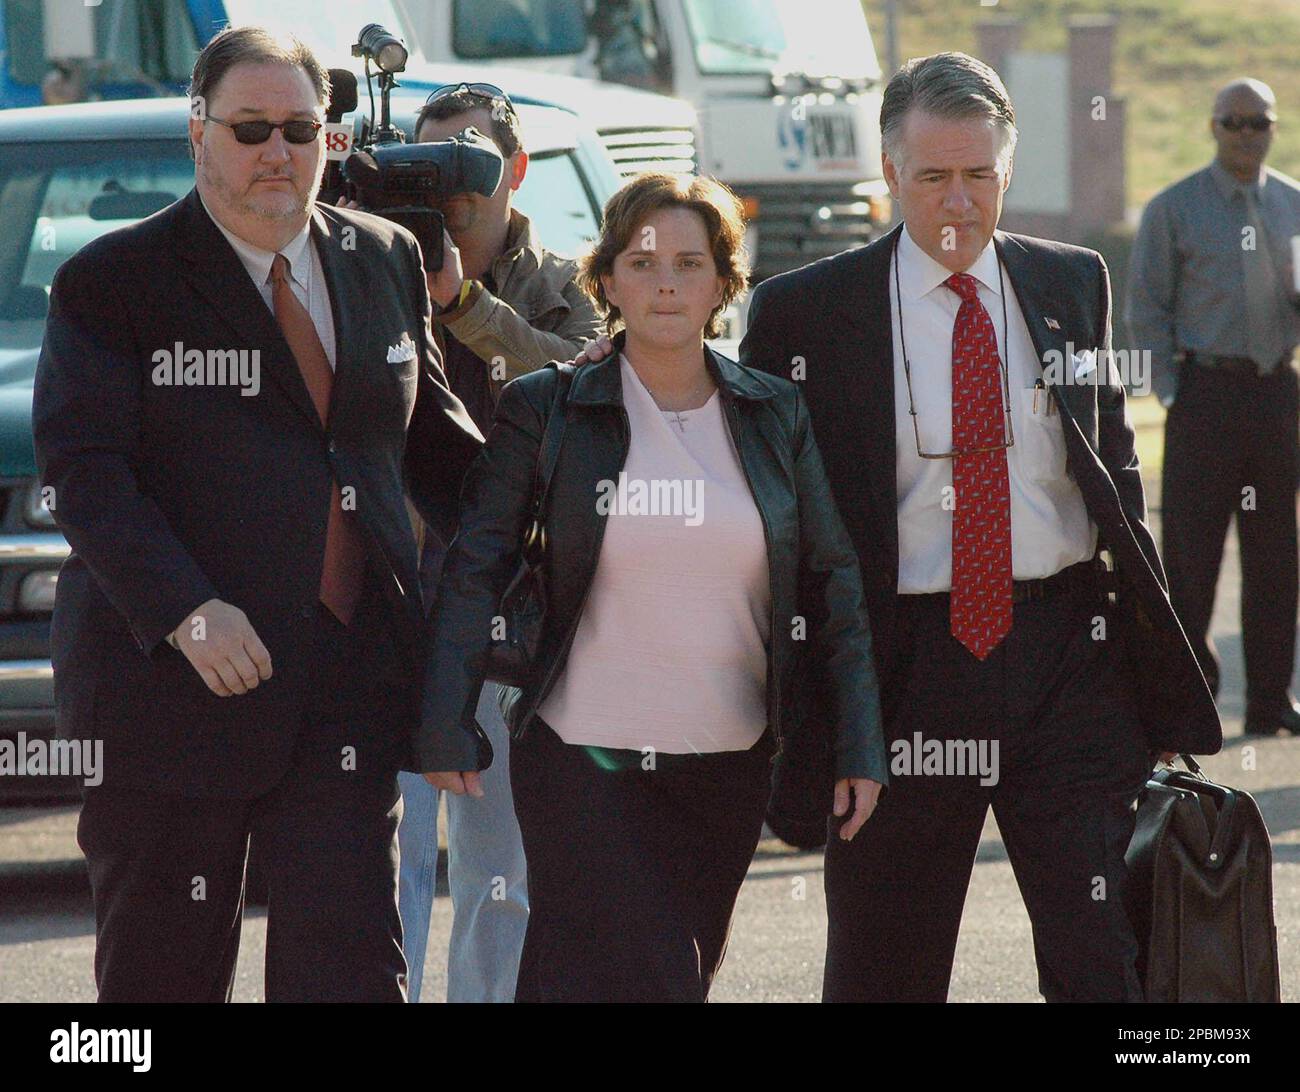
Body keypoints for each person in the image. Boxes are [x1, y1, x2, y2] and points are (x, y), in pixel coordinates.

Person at [737, 52, 1222, 1002]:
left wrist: (1151, 679)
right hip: (903, 669)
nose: (957, 202)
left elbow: (1114, 481)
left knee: (1102, 964)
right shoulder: (805, 313)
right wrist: (823, 717)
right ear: (888, 173)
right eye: (932, 177)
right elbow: (774, 523)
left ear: (1009, 170)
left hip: (1067, 662)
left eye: (979, 176)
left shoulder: (1071, 283)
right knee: (886, 967)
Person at [32, 26, 482, 1002]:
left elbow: (439, 452)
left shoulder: (385, 261)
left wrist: (565, 520)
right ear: (199, 134)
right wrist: (189, 611)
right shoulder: (115, 282)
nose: (278, 152)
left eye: (300, 128)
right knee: (158, 986)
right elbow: (85, 473)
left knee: (352, 974)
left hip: (346, 690)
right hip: (170, 692)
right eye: (250, 129)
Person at [418, 172, 887, 1002]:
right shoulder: (549, 407)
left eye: (689, 263)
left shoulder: (775, 413)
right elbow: (475, 561)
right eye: (641, 263)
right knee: (653, 970)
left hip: (729, 762)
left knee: (636, 975)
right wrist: (444, 718)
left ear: (721, 284)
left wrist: (858, 741)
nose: (665, 282)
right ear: (606, 280)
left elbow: (833, 580)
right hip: (581, 758)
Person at [397, 82, 602, 1003]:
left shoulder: (567, 286)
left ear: (516, 170)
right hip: (390, 595)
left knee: (498, 870)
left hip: (508, 612)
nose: (451, 187)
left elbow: (586, 386)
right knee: (376, 854)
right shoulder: (366, 265)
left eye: (471, 162)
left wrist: (462, 305)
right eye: (430, 163)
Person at [1126, 78, 1300, 736]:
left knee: (1276, 558)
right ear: (1213, 127)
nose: (1247, 133)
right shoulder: (1174, 209)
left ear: (1273, 129)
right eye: (1235, 121)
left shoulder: (1292, 205)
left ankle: (1268, 701)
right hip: (1205, 395)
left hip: (1274, 393)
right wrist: (1171, 391)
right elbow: (1147, 309)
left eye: (1260, 122)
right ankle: (1184, 703)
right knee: (1191, 561)